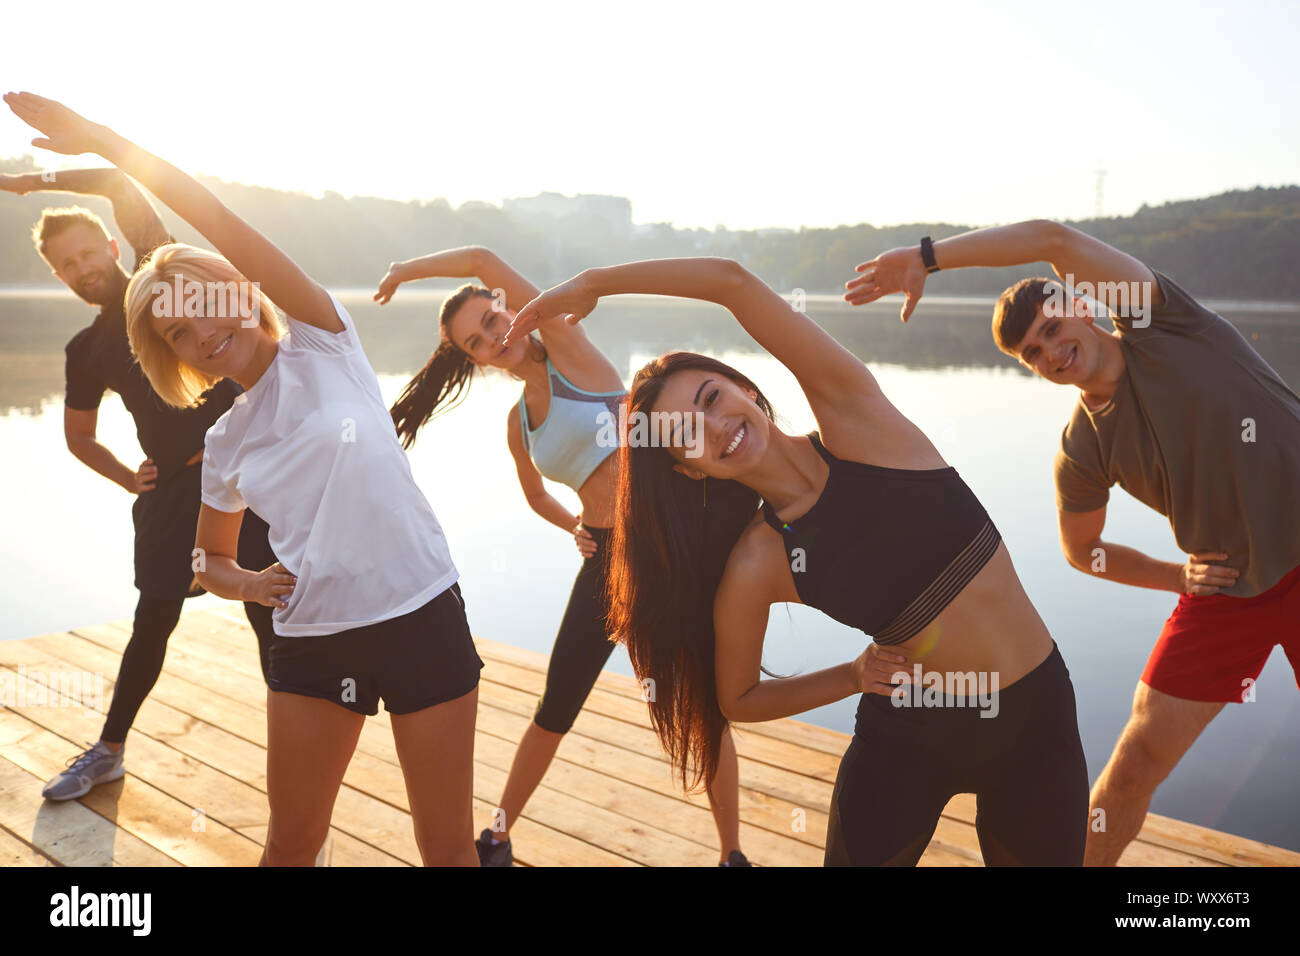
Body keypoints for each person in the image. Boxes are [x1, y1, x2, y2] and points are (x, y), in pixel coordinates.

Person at [5, 90, 483, 866]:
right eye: (178, 333)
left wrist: (102, 140)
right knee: (291, 844)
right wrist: (247, 583)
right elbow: (208, 560)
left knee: (444, 851)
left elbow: (216, 217)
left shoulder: (325, 340)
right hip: (313, 643)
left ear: (233, 288)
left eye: (204, 307)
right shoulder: (226, 440)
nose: (203, 335)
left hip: (420, 610)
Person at [506, 257, 1090, 866]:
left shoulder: (858, 421)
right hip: (909, 734)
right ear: (687, 467)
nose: (715, 428)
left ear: (746, 389)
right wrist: (849, 676)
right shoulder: (759, 559)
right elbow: (737, 698)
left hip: (1034, 717)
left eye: (712, 398)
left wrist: (596, 282)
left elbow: (733, 282)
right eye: (686, 434)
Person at [845, 220, 1300, 865]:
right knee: (1137, 755)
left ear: (1083, 307)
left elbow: (1051, 239)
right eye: (1034, 352)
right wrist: (1178, 577)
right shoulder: (1081, 448)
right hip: (1230, 593)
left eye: (1053, 329)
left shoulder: (1165, 325)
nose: (1052, 352)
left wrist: (926, 258)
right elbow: (1082, 550)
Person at [377, 246, 753, 866]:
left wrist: (404, 270)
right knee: (556, 705)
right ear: (473, 359)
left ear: (511, 310)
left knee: (697, 706)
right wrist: (574, 526)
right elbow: (536, 496)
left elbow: (482, 256)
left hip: (664, 546)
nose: (494, 338)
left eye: (493, 320)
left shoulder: (571, 352)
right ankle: (497, 836)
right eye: (476, 341)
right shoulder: (517, 423)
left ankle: (731, 853)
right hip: (606, 561)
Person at [1, 167, 278, 802]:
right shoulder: (86, 348)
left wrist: (25, 185)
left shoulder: (162, 281)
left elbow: (114, 174)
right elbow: (79, 437)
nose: (80, 268)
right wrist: (130, 476)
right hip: (173, 496)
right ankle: (109, 751)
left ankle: (292, 766)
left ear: (114, 247)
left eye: (86, 253)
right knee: (153, 620)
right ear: (59, 276)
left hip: (245, 478)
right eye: (66, 264)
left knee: (269, 616)